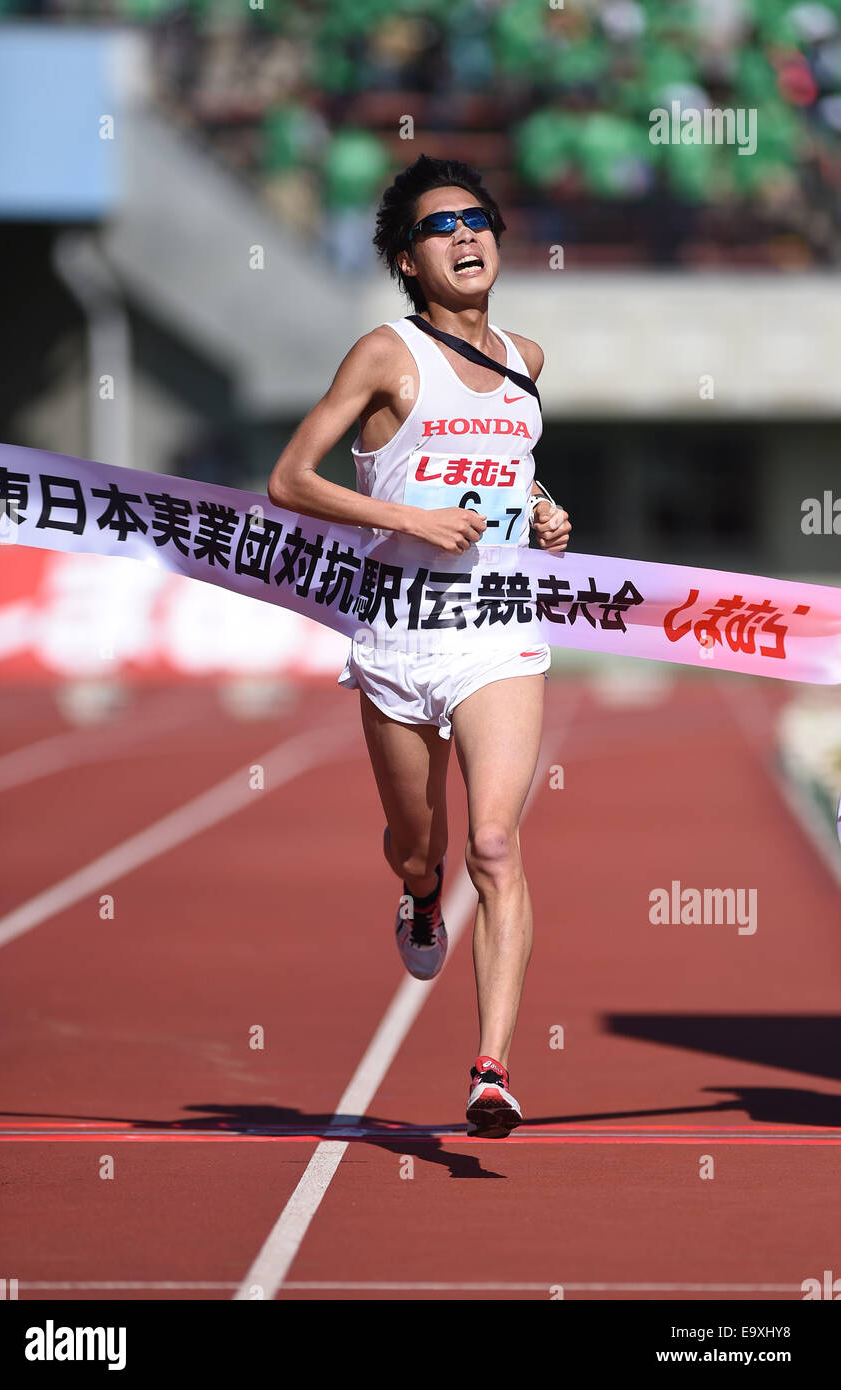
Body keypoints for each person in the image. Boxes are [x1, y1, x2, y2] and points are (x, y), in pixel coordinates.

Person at [267, 154, 572, 1137]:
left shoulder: (525, 357)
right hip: (396, 638)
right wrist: (406, 517)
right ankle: (415, 891)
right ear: (407, 259)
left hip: (495, 635)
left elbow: (506, 475)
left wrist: (539, 506)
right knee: (420, 846)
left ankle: (490, 1067)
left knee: (495, 838)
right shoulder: (382, 354)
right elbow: (289, 481)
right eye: (441, 227)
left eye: (478, 219)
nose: (466, 236)